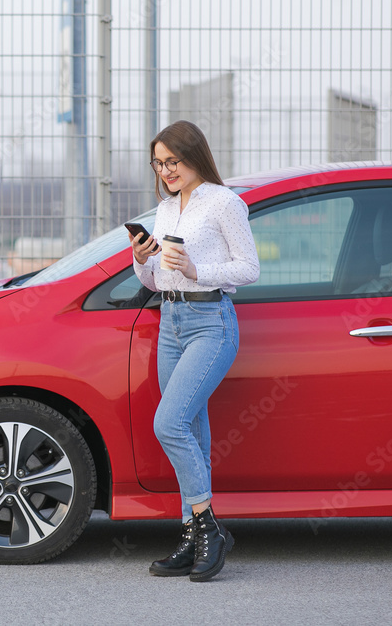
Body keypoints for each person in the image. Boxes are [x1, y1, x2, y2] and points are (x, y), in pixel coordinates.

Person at [128, 120, 260, 582]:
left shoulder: (225, 203)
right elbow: (159, 280)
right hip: (171, 322)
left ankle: (207, 528)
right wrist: (142, 260)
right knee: (194, 434)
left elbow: (249, 267)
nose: (165, 170)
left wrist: (197, 268)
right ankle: (192, 534)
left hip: (211, 323)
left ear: (193, 156)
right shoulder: (166, 208)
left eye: (172, 161)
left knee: (169, 422)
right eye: (158, 163)